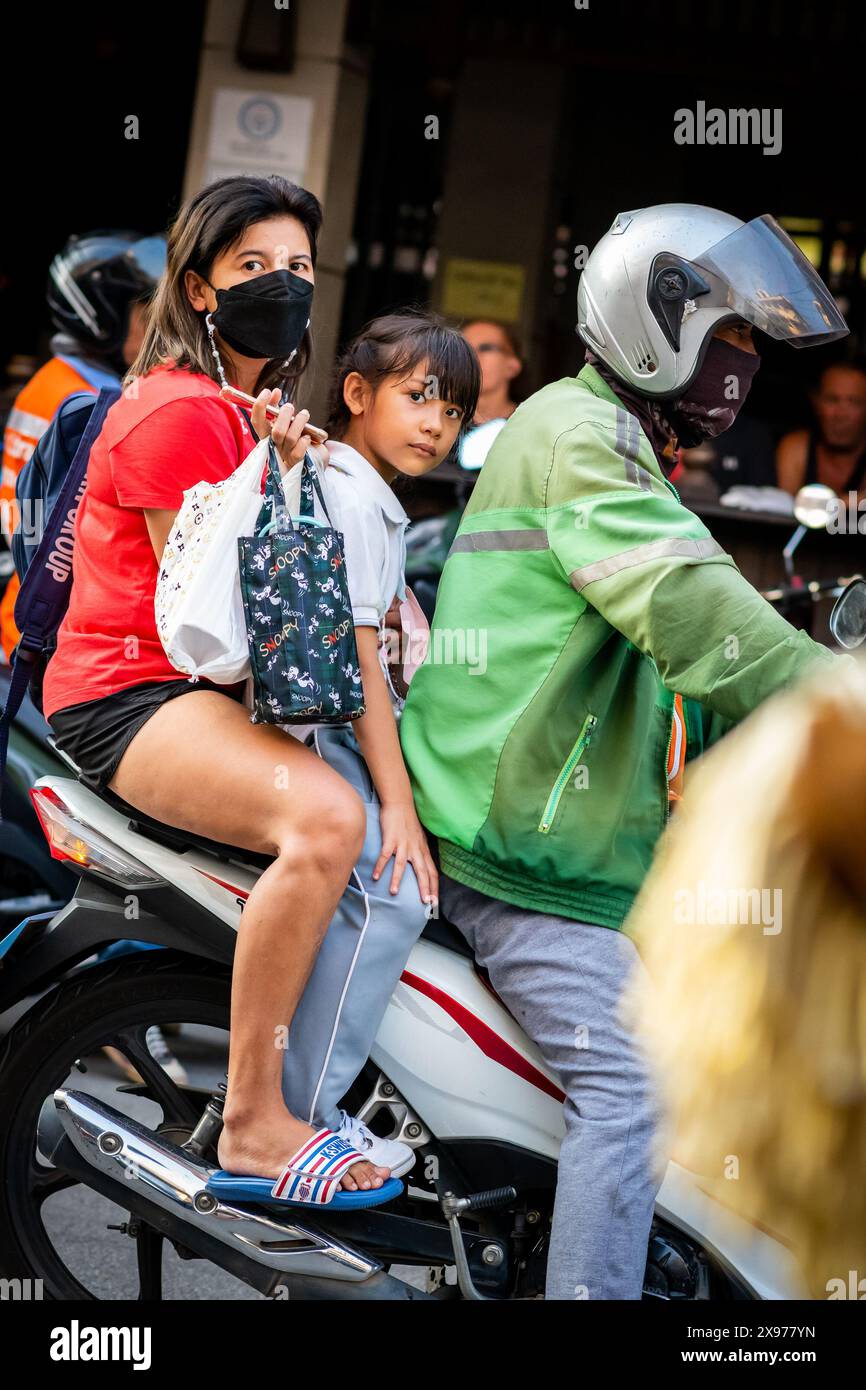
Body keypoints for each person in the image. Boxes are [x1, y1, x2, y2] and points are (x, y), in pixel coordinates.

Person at [399, 202, 848, 1298]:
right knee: (635, 1084)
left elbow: (700, 631)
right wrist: (837, 706)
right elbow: (694, 613)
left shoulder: (619, 438)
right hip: (521, 861)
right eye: (731, 336)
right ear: (659, 325)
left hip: (586, 850)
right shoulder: (575, 434)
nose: (744, 363)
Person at [41, 173, 411, 1200]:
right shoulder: (176, 411)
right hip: (134, 694)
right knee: (330, 820)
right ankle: (254, 1122)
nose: (282, 285)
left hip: (200, 693)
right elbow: (203, 623)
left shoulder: (247, 412)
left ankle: (324, 1099)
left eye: (298, 266)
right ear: (199, 288)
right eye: (254, 267)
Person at [277, 310, 479, 1141]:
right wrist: (393, 805)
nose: (436, 421)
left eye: (455, 409)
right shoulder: (356, 497)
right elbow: (357, 665)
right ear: (357, 393)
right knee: (392, 900)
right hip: (325, 733)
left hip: (330, 724)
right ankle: (303, 1113)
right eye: (419, 396)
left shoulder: (366, 493)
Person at [0, 231, 165, 661]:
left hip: (25, 611)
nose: (156, 332)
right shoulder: (89, 405)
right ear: (102, 315)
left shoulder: (55, 379)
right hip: (49, 631)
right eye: (146, 316)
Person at [776, 358, 866, 499]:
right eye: (832, 400)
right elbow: (782, 511)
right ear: (816, 402)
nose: (841, 414)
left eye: (854, 402)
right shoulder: (796, 448)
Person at [460, 319, 522, 425]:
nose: (471, 355)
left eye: (485, 348)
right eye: (464, 348)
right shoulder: (442, 421)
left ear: (512, 366)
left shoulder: (530, 422)